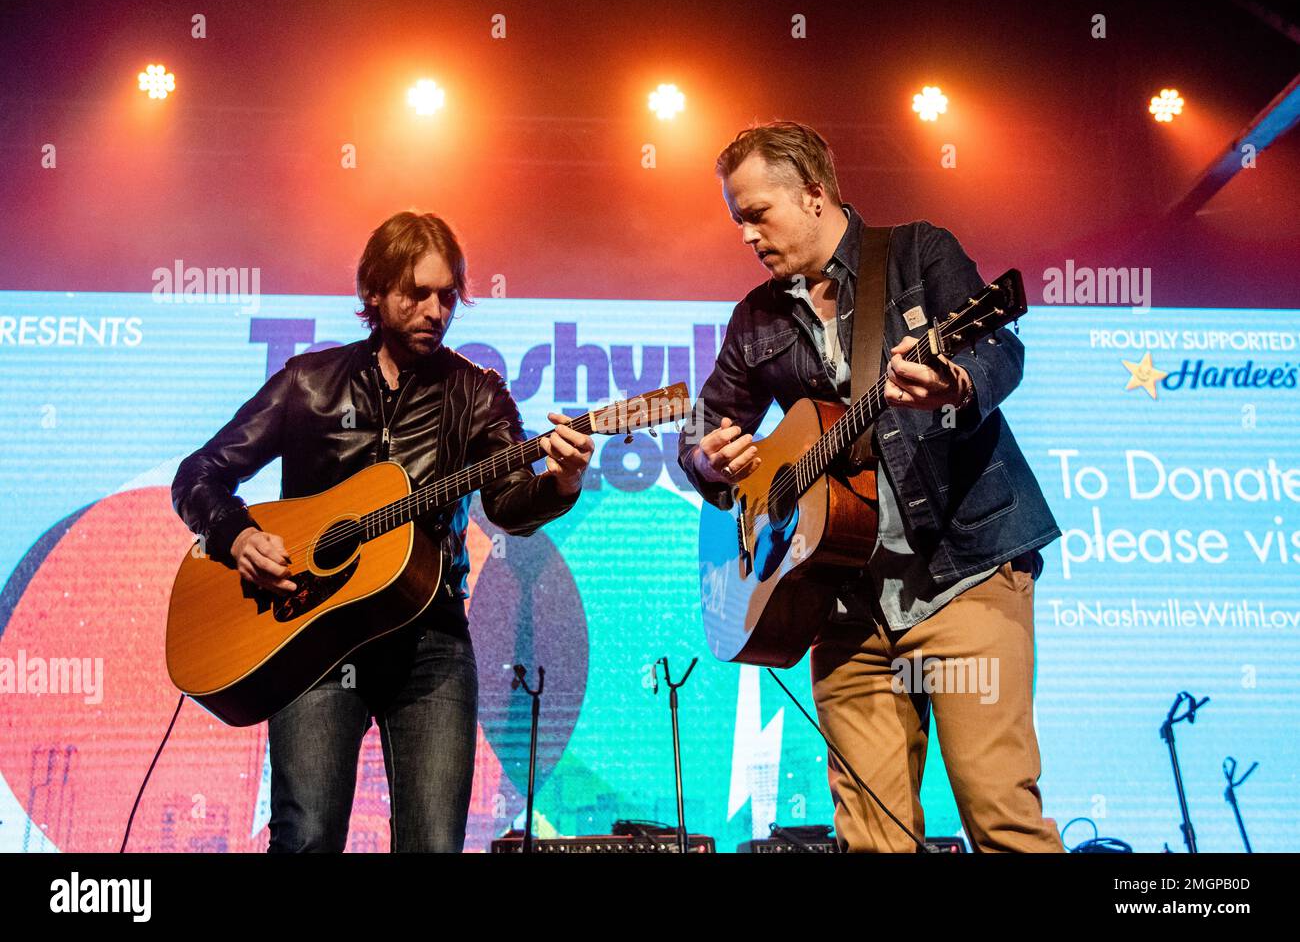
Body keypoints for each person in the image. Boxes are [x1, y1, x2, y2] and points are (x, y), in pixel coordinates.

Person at [677, 122, 1064, 852]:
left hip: (964, 573)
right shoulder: (755, 318)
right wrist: (709, 460)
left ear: (814, 195)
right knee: (869, 839)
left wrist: (953, 381)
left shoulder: (921, 253)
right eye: (738, 222)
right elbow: (702, 427)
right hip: (843, 602)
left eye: (757, 214)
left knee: (1001, 818)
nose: (746, 236)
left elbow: (998, 352)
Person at [172, 210, 593, 852]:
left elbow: (509, 505)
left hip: (430, 637)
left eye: (447, 295)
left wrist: (560, 483)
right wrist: (236, 536)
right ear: (374, 291)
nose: (435, 310)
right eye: (416, 293)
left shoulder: (476, 394)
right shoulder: (307, 383)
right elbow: (200, 473)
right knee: (307, 837)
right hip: (312, 635)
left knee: (432, 845)